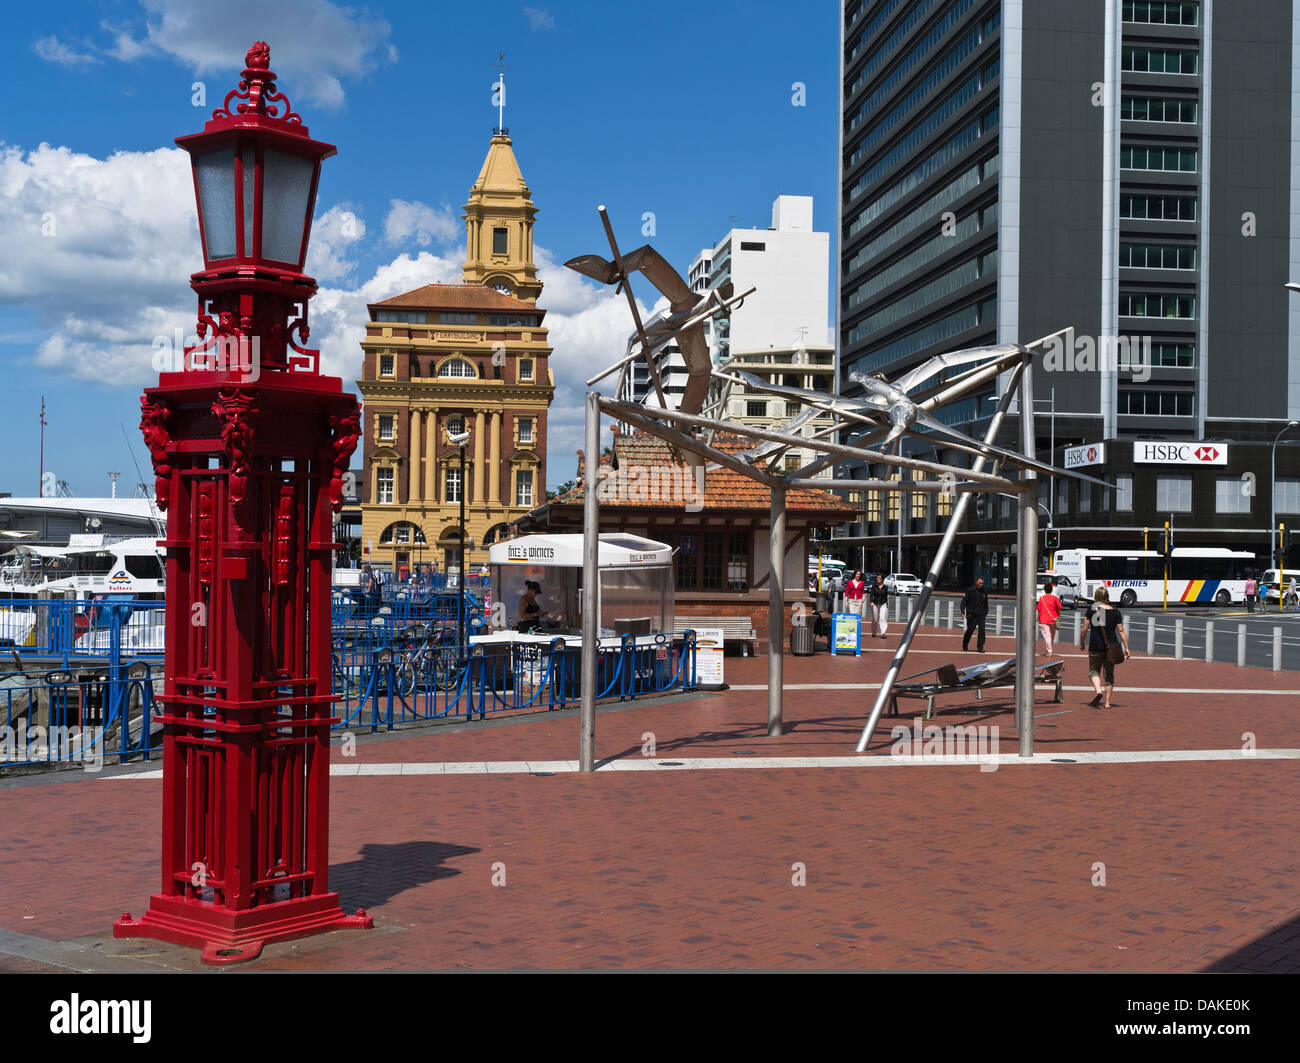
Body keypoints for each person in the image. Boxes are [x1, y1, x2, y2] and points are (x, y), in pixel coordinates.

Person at [1080, 587, 1131, 708]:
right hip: (1111, 648)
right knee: (1109, 675)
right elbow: (1121, 630)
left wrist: (1082, 642)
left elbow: (1085, 629)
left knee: (1093, 671)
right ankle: (1107, 703)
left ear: (1096, 597)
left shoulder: (1092, 610)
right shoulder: (1115, 611)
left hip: (1095, 646)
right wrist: (1126, 647)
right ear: (1107, 597)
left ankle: (1098, 691)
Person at [961, 576, 989, 652]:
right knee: (970, 631)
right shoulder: (969, 590)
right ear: (976, 582)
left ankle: (980, 647)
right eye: (980, 583)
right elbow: (964, 602)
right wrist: (962, 612)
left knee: (982, 630)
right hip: (972, 615)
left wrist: (986, 611)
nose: (981, 584)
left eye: (982, 583)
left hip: (981, 615)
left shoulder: (984, 591)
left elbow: (986, 603)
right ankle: (965, 644)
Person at [1037, 579, 1062, 655]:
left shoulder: (1041, 598)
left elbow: (1039, 609)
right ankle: (1048, 649)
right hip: (1053, 619)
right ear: (1051, 590)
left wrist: (1038, 618)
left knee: (1047, 635)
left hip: (1044, 619)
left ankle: (1049, 650)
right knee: (1052, 635)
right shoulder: (1055, 598)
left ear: (1045, 590)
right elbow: (1059, 608)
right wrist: (1058, 615)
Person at [869, 573, 890, 638]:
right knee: (875, 619)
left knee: (882, 617)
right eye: (877, 578)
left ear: (882, 579)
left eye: (879, 578)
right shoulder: (874, 587)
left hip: (883, 604)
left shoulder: (885, 587)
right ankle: (874, 632)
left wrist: (886, 603)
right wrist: (871, 602)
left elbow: (886, 596)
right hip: (875, 603)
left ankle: (883, 633)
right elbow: (871, 595)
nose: (878, 579)